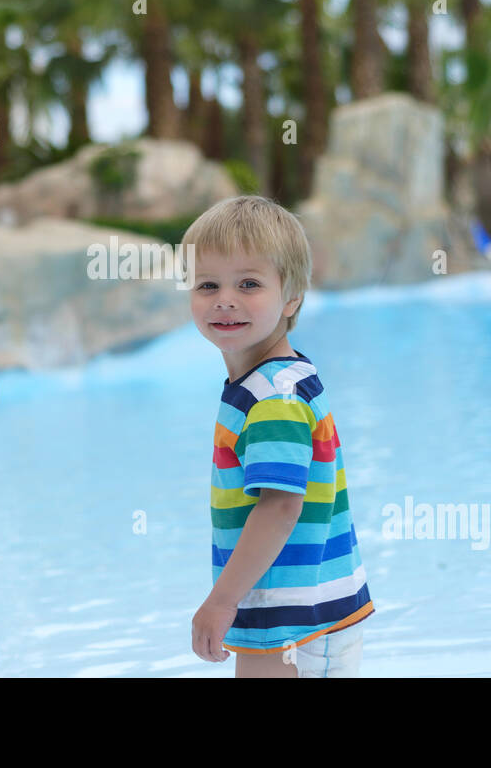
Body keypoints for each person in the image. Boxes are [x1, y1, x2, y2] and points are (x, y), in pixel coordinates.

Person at [184, 195, 374, 678]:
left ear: (292, 297)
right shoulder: (276, 380)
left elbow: (280, 505)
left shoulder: (273, 400)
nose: (225, 299)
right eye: (208, 284)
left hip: (295, 615)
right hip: (291, 605)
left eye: (249, 283)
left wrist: (220, 602)